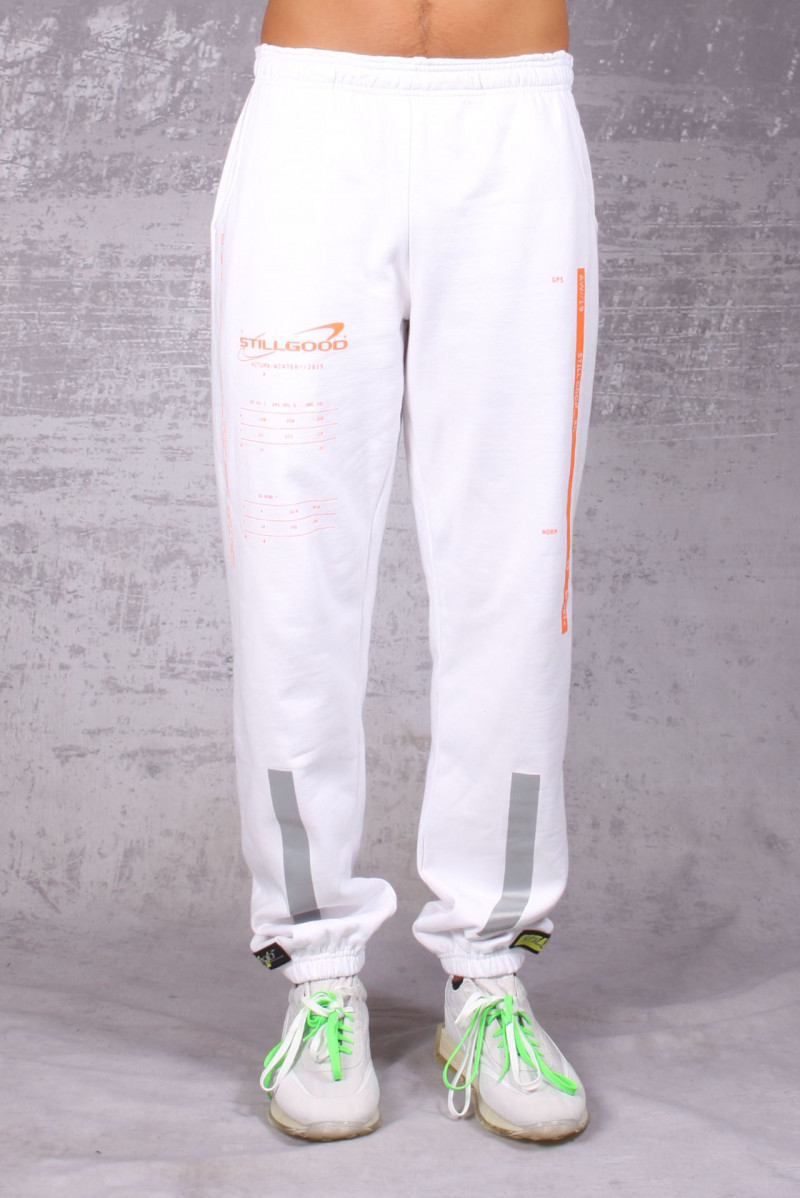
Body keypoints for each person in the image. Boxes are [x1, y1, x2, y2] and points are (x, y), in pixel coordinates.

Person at [210, 0, 598, 1143]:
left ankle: (488, 972)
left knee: (516, 576)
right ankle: (316, 967)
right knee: (289, 575)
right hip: (316, 120)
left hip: (512, 120)